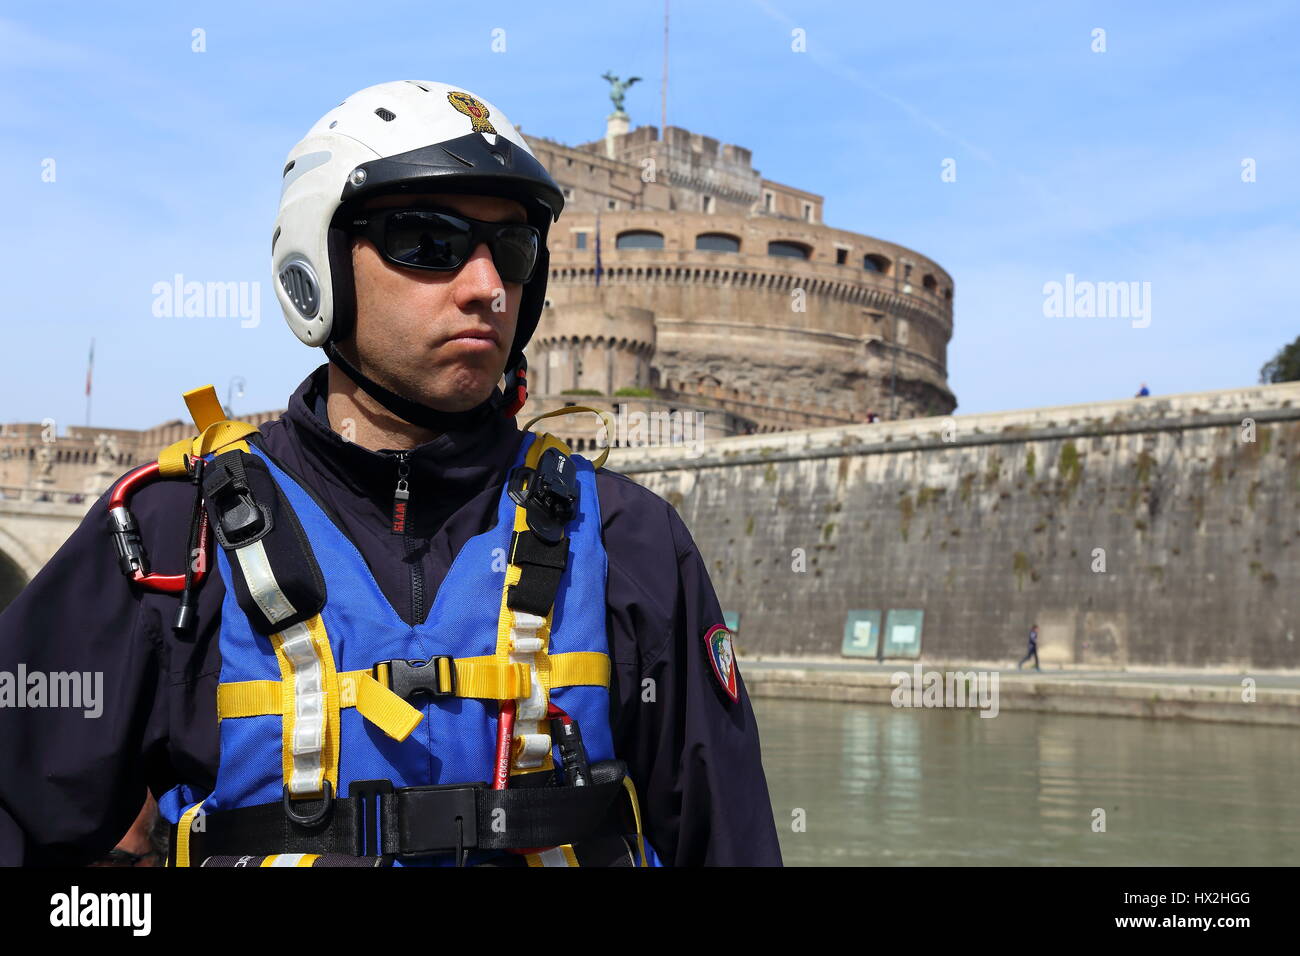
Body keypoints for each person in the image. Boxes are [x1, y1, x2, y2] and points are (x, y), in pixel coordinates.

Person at [0, 81, 781, 867]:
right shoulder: (169, 532)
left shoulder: (630, 541)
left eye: (511, 251)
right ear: (318, 265)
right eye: (429, 242)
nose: (486, 288)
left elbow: (731, 845)